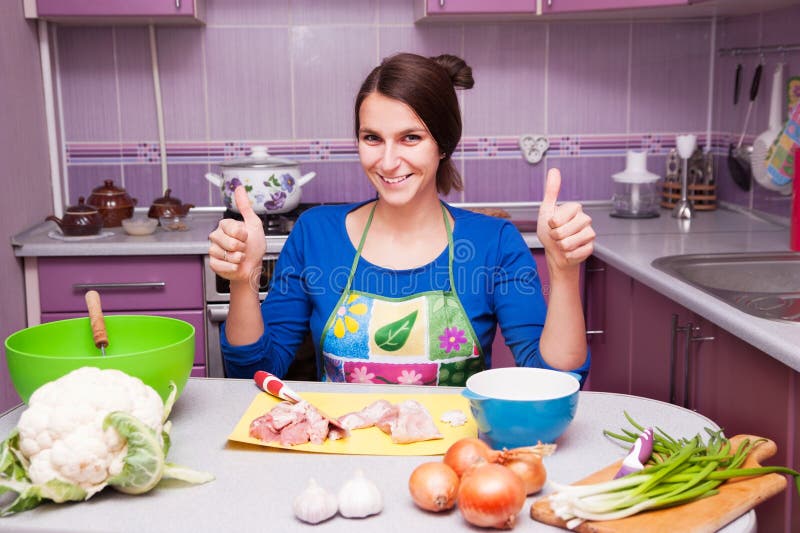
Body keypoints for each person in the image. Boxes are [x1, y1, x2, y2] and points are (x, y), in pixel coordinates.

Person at [208, 52, 595, 386]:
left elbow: (555, 381)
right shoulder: (315, 234)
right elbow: (253, 375)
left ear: (443, 144)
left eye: (411, 138)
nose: (388, 162)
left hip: (452, 461)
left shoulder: (494, 244)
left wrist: (564, 273)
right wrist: (244, 282)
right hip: (344, 458)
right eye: (372, 138)